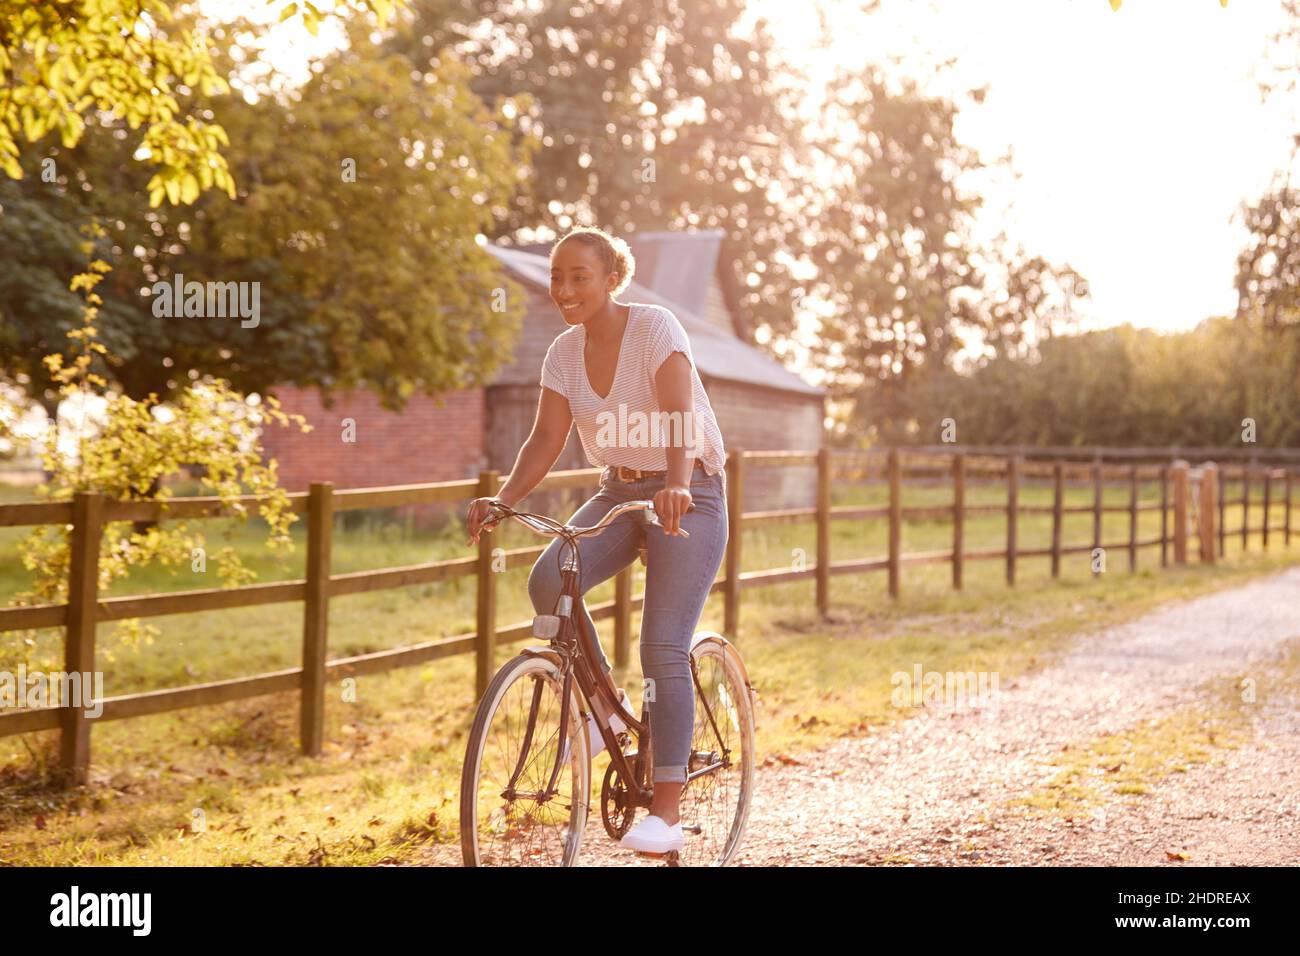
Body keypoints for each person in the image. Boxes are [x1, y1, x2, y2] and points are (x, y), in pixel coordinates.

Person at [465, 226, 729, 855]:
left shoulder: (656, 329)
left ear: (613, 278)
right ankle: (606, 717)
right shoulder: (562, 353)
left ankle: (666, 812)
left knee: (661, 644)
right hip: (618, 491)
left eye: (579, 276)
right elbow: (545, 439)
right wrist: (506, 500)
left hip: (691, 490)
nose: (564, 289)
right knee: (547, 580)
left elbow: (680, 418)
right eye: (557, 277)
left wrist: (675, 485)